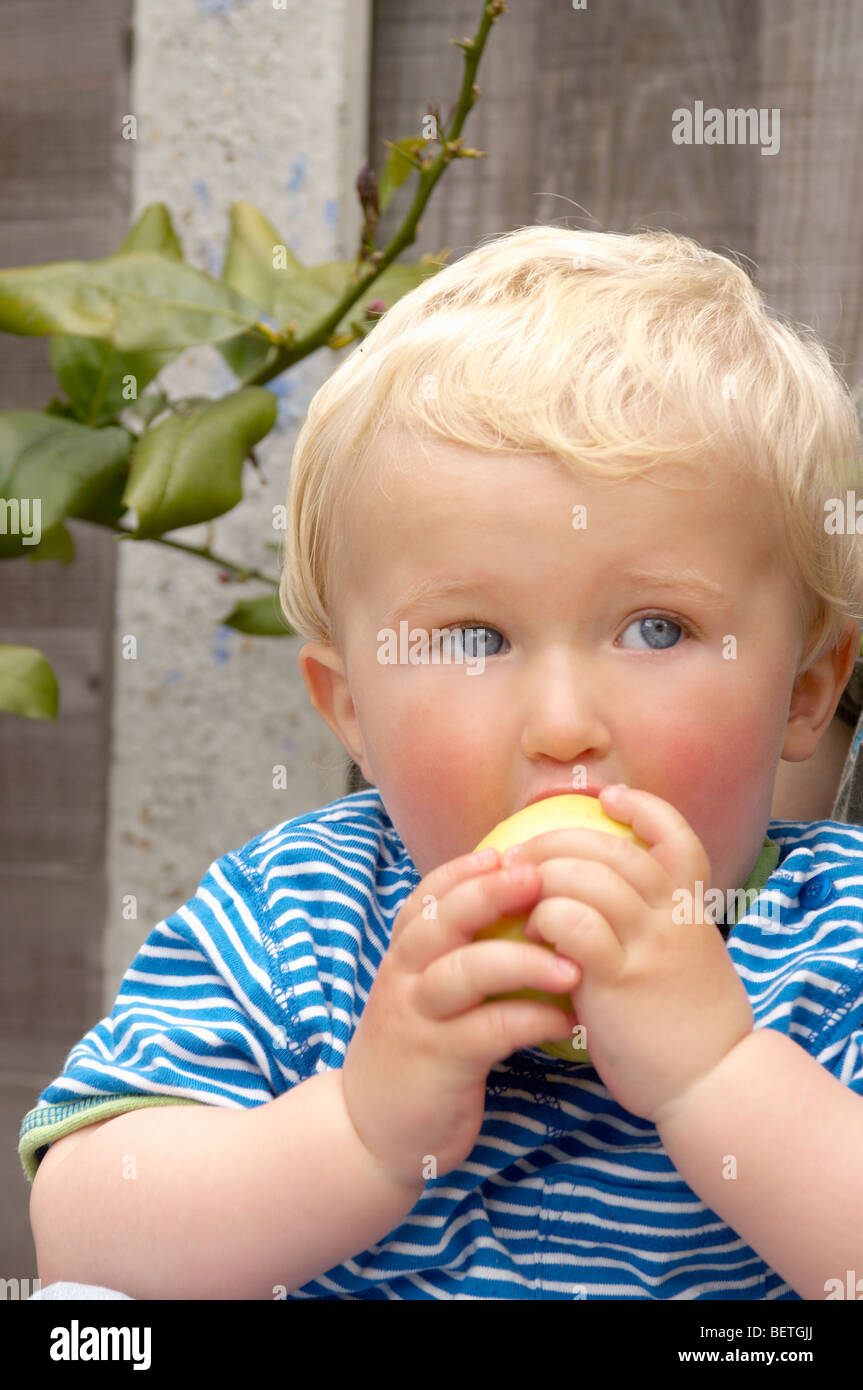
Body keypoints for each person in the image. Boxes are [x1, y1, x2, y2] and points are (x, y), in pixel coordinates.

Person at [21, 224, 863, 1302]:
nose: (562, 724)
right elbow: (87, 1234)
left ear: (803, 690)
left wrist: (716, 1072)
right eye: (472, 638)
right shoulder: (301, 917)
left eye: (654, 628)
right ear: (351, 710)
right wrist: (359, 1128)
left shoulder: (833, 942)